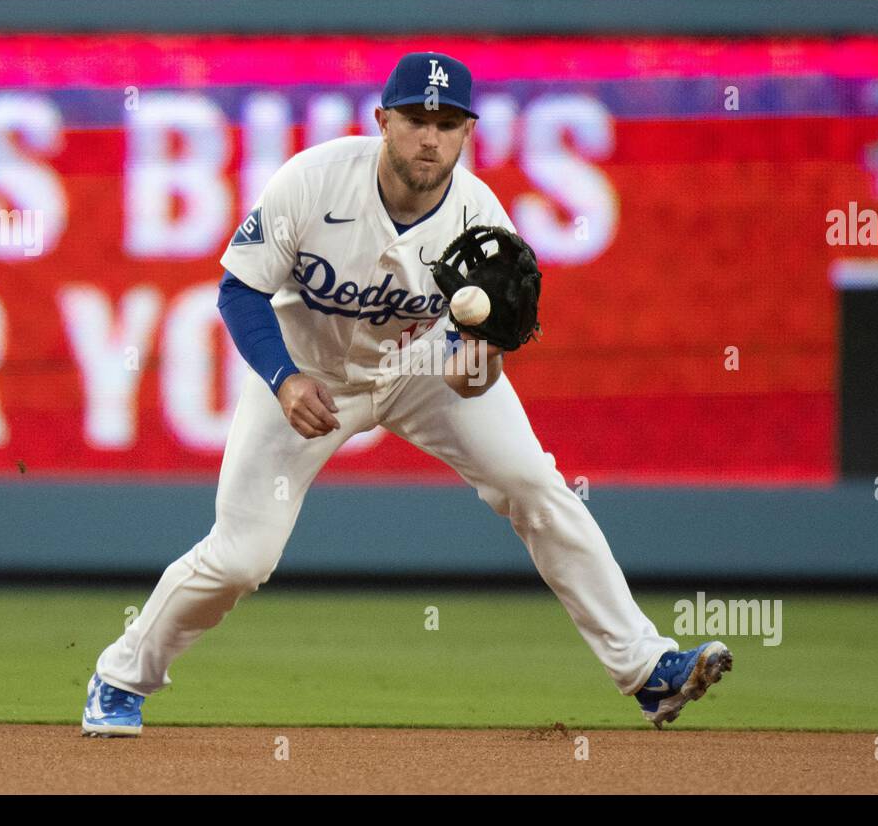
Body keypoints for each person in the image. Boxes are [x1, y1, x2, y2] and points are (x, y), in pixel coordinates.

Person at [80, 51, 731, 737]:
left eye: (448, 122)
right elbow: (240, 289)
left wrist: (477, 364)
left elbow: (477, 367)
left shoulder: (481, 217)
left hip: (422, 368)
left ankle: (648, 669)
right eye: (417, 118)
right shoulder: (314, 181)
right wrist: (283, 378)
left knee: (533, 484)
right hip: (312, 369)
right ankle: (121, 676)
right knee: (243, 556)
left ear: (466, 133)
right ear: (382, 120)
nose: (431, 136)